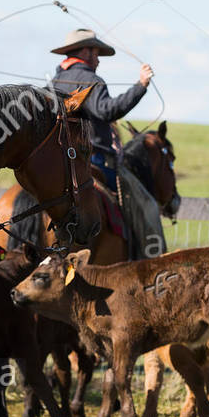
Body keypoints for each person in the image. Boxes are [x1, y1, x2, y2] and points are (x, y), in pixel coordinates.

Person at [48, 29, 161, 257]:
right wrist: (141, 86)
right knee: (147, 206)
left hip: (59, 160)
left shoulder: (53, 83)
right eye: (96, 53)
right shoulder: (91, 80)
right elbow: (106, 110)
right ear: (86, 51)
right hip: (96, 160)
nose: (98, 59)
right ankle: (148, 262)